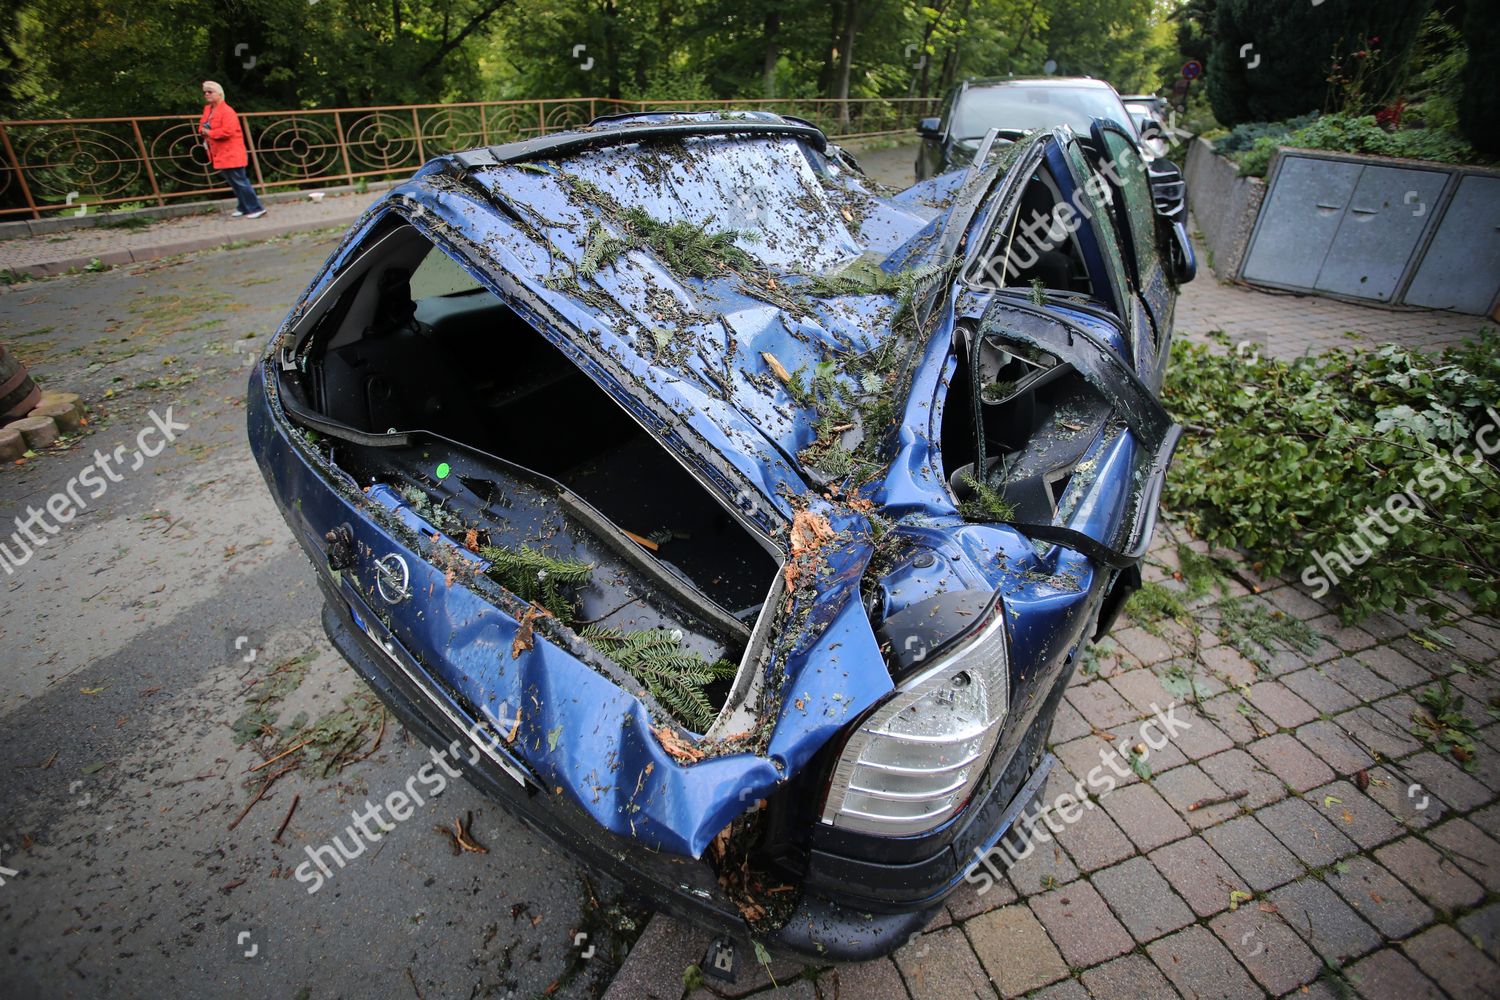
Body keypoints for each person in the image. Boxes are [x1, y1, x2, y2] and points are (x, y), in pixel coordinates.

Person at [199, 81, 265, 219]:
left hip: (231, 152)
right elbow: (202, 126)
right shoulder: (208, 109)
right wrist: (204, 131)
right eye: (205, 92)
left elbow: (227, 131)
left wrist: (209, 133)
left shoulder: (227, 111)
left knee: (240, 180)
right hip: (219, 152)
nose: (206, 94)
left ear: (219, 94)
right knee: (233, 181)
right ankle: (243, 207)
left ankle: (256, 208)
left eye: (210, 91)